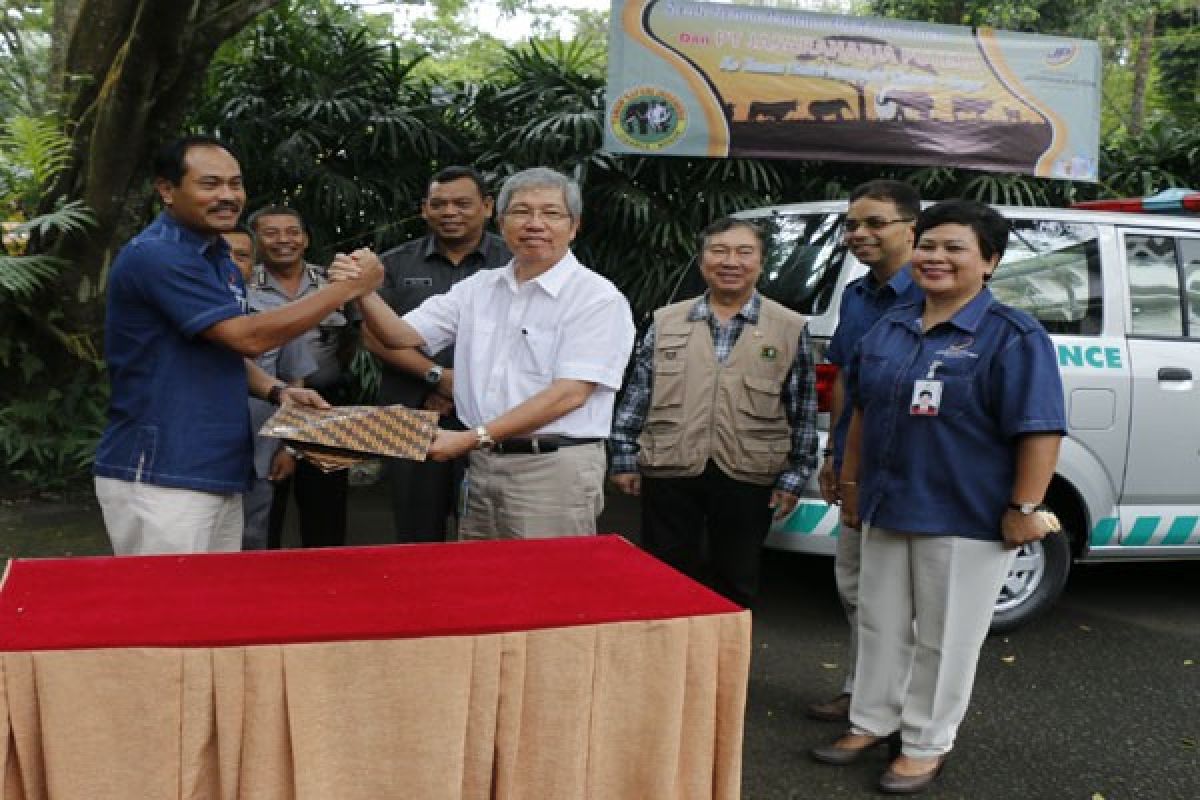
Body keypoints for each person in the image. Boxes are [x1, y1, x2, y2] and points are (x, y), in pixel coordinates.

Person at [811, 200, 1065, 794]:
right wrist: (850, 488)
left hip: (964, 513)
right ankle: (871, 720)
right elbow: (862, 414)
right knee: (879, 622)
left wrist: (1024, 509)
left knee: (946, 636)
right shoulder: (889, 327)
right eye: (928, 245)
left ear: (990, 262)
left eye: (955, 248)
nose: (936, 257)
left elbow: (1039, 428)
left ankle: (926, 742)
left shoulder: (1013, 335)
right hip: (886, 502)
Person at [93, 135, 382, 556]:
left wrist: (277, 391)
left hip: (219, 465)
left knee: (216, 609)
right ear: (167, 190)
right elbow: (245, 337)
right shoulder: (158, 255)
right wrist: (345, 289)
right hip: (164, 470)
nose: (228, 196)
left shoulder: (220, 259)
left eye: (235, 183)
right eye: (210, 184)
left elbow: (219, 346)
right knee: (168, 611)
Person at [332, 167, 636, 540]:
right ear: (502, 220)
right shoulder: (480, 287)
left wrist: (468, 438)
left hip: (551, 470)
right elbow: (400, 335)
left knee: (546, 589)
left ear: (573, 226)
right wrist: (362, 290)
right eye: (522, 212)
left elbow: (570, 393)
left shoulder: (596, 298)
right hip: (484, 466)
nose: (535, 223)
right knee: (484, 584)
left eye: (551, 213)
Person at [608, 217, 818, 607]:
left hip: (748, 470)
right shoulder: (665, 320)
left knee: (737, 580)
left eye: (743, 252)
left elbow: (802, 405)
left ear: (761, 261)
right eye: (719, 251)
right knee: (663, 576)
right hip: (670, 465)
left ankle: (725, 665)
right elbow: (639, 391)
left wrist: (795, 475)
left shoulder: (788, 326)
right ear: (703, 261)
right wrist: (623, 456)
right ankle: (667, 662)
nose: (730, 262)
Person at [808, 179, 923, 723]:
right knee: (855, 586)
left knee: (905, 600)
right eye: (852, 224)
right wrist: (835, 459)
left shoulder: (934, 293)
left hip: (911, 468)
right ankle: (862, 693)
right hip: (858, 463)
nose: (859, 234)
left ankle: (903, 710)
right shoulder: (856, 297)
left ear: (910, 228)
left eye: (875, 223)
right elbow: (845, 384)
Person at [370, 166, 511, 542]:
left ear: (486, 207)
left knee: (491, 530)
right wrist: (436, 377)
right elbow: (376, 336)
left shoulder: (514, 263)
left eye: (462, 204)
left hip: (494, 418)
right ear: (424, 210)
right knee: (416, 531)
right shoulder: (393, 263)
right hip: (412, 413)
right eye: (440, 204)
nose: (450, 212)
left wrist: (464, 387)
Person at [247, 205, 358, 549]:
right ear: (255, 242)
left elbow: (351, 338)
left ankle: (327, 584)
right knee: (266, 501)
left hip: (326, 406)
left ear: (306, 239)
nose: (284, 240)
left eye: (293, 232)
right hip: (264, 404)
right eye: (271, 232)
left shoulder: (335, 285)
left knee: (327, 502)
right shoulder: (244, 284)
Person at [222, 228, 316, 550]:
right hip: (198, 453)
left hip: (259, 452)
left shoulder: (278, 314)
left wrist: (289, 447)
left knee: (252, 539)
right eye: (223, 254)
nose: (232, 263)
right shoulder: (182, 307)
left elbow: (294, 383)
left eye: (242, 256)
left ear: (253, 264)